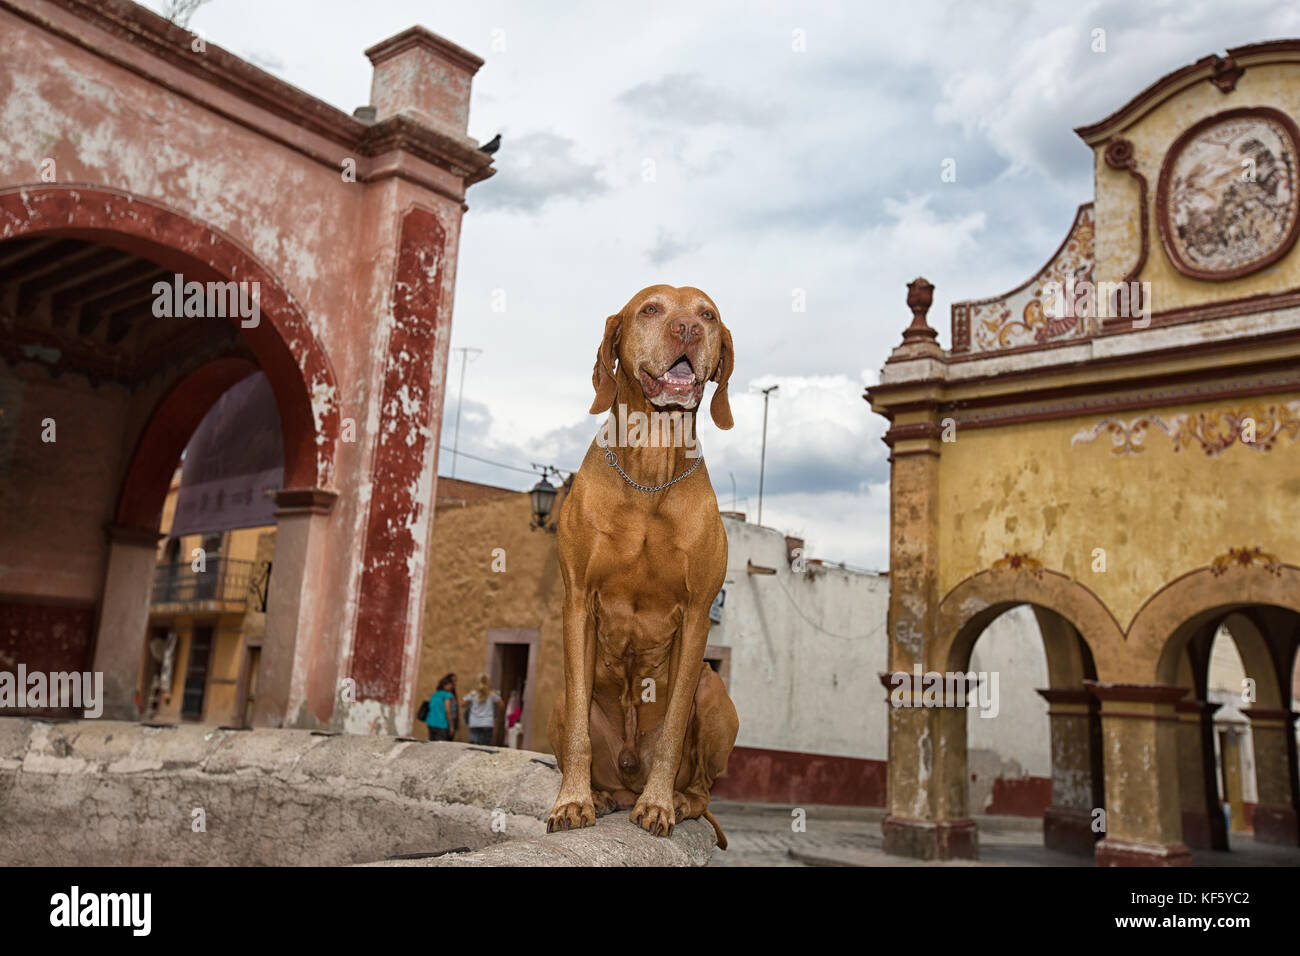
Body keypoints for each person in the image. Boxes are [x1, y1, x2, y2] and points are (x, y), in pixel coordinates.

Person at [463, 673, 502, 746]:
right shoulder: (492, 694)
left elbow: (463, 704)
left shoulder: (473, 694)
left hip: (474, 722)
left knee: (473, 746)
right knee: (485, 746)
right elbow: (501, 705)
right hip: (487, 722)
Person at [424, 673, 457, 742]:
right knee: (441, 746)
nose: (452, 686)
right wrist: (451, 726)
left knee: (432, 744)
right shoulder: (447, 695)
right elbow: (448, 710)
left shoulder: (435, 694)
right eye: (451, 684)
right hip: (442, 724)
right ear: (445, 685)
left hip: (431, 722)